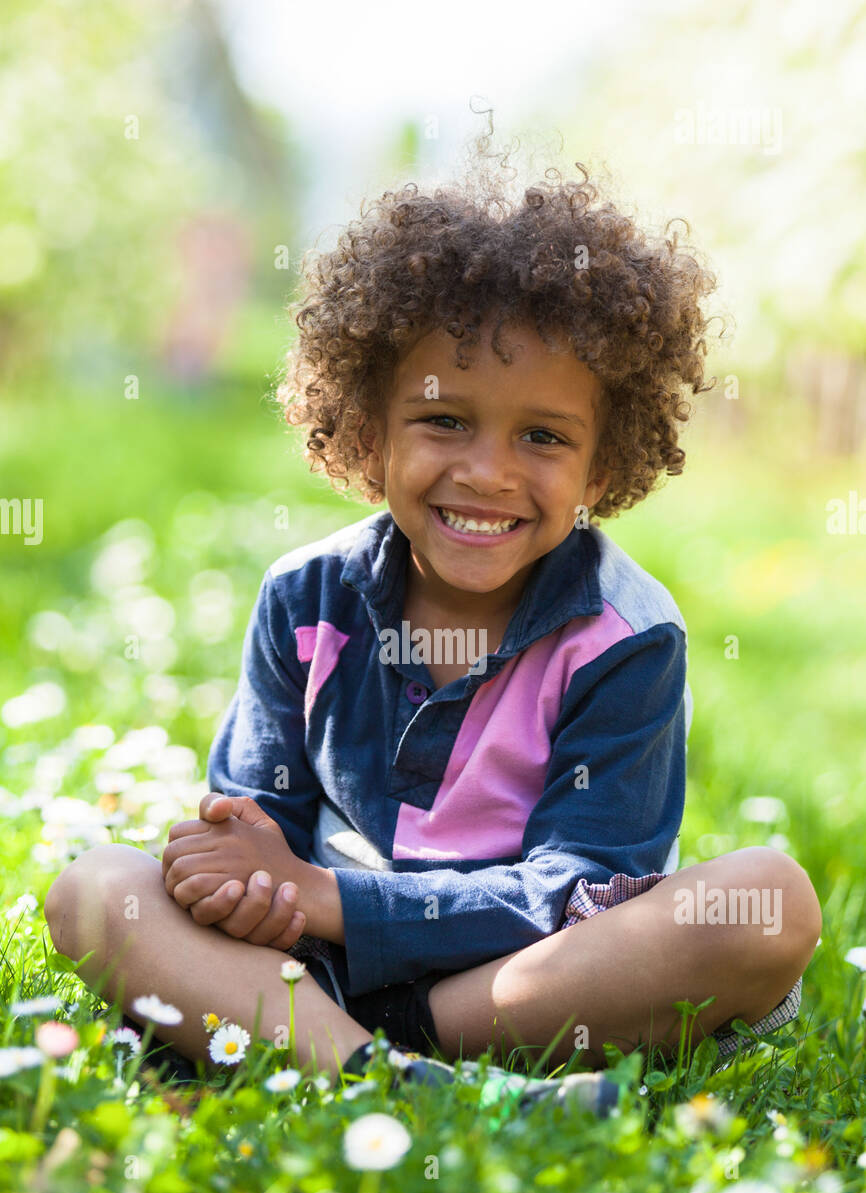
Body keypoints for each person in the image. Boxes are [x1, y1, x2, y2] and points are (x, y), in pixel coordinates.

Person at [44, 161, 821, 1115]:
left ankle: (340, 1055)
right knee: (96, 888)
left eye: (543, 437)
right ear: (370, 429)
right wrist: (235, 870)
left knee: (767, 905)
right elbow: (259, 821)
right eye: (444, 420)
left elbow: (578, 893)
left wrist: (329, 902)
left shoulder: (625, 636)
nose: (487, 472)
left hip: (511, 984)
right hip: (306, 961)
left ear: (604, 457)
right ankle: (407, 1088)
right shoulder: (306, 598)